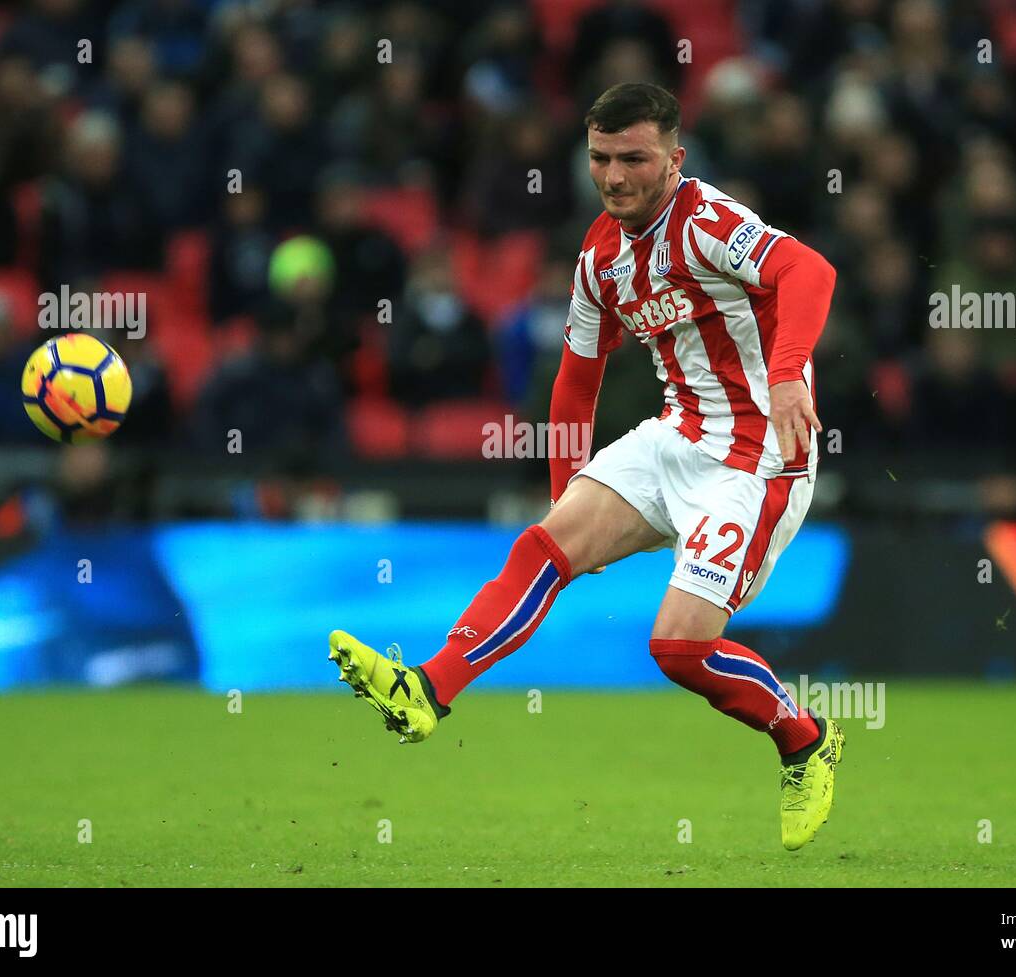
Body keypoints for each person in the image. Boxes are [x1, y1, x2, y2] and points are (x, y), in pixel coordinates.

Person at [329, 83, 843, 851]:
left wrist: (784, 372)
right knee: (545, 544)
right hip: (677, 436)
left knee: (678, 648)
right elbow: (576, 380)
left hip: (759, 460)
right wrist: (567, 492)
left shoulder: (708, 221)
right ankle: (428, 690)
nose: (615, 176)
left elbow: (810, 273)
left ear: (674, 159)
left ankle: (805, 739)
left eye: (634, 158)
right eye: (601, 158)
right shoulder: (601, 253)